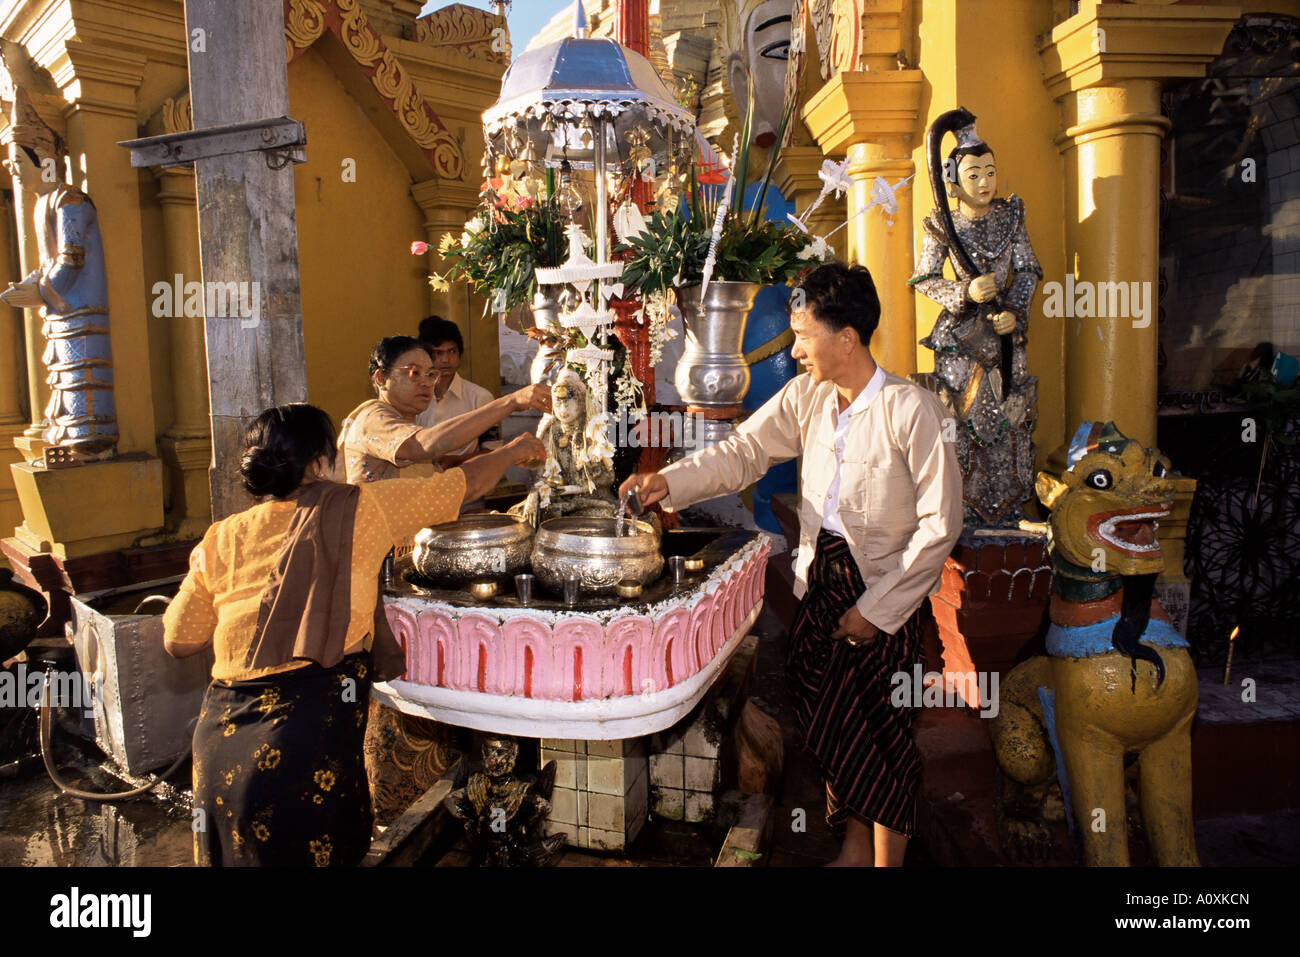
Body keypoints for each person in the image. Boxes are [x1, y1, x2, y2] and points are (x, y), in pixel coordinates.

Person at [621, 262, 963, 867]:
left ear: (847, 338)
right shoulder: (808, 397)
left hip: (883, 593)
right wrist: (665, 483)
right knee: (835, 730)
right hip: (821, 580)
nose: (795, 347)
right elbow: (745, 451)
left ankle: (888, 862)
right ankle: (855, 850)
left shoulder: (913, 411)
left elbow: (940, 527)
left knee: (882, 738)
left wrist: (874, 612)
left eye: (803, 335)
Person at [162, 403, 545, 866]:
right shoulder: (359, 506)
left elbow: (179, 640)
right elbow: (466, 485)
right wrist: (517, 448)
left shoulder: (220, 536)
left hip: (220, 740)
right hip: (301, 736)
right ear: (318, 463)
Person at [338, 335, 548, 487]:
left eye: (431, 374)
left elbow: (457, 486)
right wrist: (511, 401)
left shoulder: (408, 425)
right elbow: (423, 445)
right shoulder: (372, 417)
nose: (426, 383)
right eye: (414, 373)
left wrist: (509, 452)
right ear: (381, 379)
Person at [414, 316, 498, 465]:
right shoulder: (411, 396)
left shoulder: (480, 398)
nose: (446, 359)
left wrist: (458, 460)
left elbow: (493, 452)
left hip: (465, 480)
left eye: (451, 351)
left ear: (460, 354)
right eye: (438, 353)